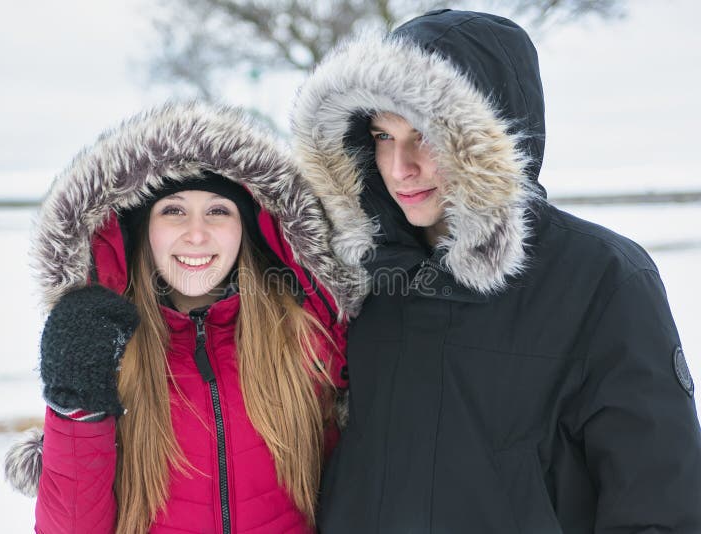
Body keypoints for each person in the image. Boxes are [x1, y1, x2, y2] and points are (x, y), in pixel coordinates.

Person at [291, 9, 701, 533]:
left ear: (492, 141)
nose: (399, 167)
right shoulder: (353, 280)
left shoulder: (603, 279)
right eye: (383, 136)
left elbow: (659, 505)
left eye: (424, 135)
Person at [4, 101, 362, 533]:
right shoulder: (110, 353)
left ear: (247, 226)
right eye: (173, 210)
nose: (196, 234)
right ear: (143, 229)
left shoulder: (306, 336)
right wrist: (76, 405)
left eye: (218, 211)